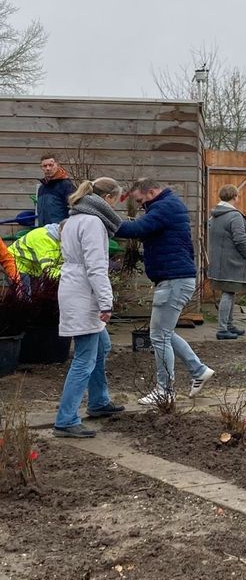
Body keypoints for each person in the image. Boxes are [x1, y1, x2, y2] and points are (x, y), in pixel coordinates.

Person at [116, 178, 215, 404]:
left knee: (158, 336)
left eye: (141, 201)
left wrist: (103, 219)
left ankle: (165, 390)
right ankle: (198, 370)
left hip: (173, 280)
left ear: (151, 192)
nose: (141, 206)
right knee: (165, 333)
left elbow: (136, 229)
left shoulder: (163, 207)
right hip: (176, 278)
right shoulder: (170, 204)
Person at [52, 177, 124, 438]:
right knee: (84, 358)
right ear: (108, 199)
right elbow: (96, 267)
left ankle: (99, 401)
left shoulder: (73, 219)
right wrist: (106, 301)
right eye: (116, 200)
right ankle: (66, 419)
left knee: (102, 346)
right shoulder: (93, 222)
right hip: (84, 294)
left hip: (74, 289)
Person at [208, 184, 246, 340]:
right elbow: (240, 239)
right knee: (228, 294)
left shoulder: (215, 215)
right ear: (235, 197)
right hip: (232, 261)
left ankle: (229, 325)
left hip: (219, 262)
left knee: (229, 292)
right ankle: (223, 328)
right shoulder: (234, 215)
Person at [37, 155, 76, 227]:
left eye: (51, 165)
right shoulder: (42, 188)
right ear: (41, 168)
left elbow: (74, 209)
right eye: (45, 166)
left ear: (58, 166)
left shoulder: (66, 185)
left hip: (60, 231)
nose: (48, 168)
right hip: (44, 231)